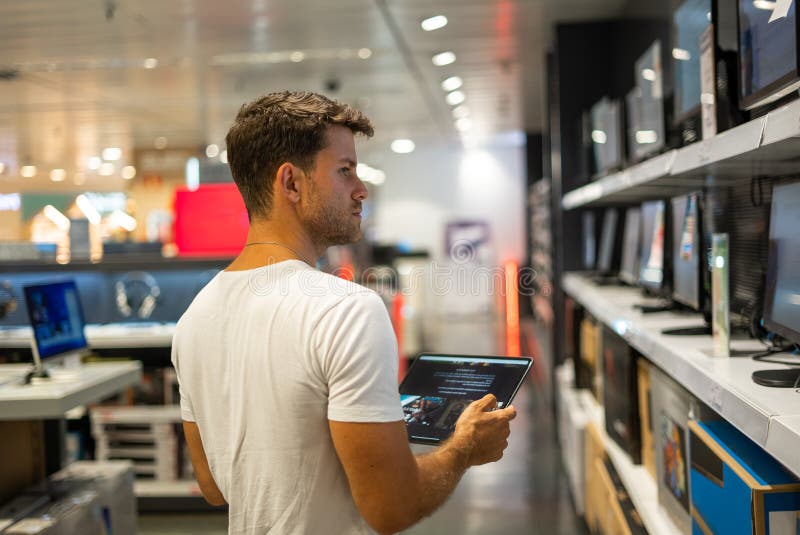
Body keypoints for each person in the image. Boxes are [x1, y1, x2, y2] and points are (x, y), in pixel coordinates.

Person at [171, 91, 517, 535]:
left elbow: (213, 486)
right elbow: (393, 506)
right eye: (344, 171)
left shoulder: (195, 319)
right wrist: (464, 447)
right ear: (291, 183)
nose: (361, 188)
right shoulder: (348, 311)